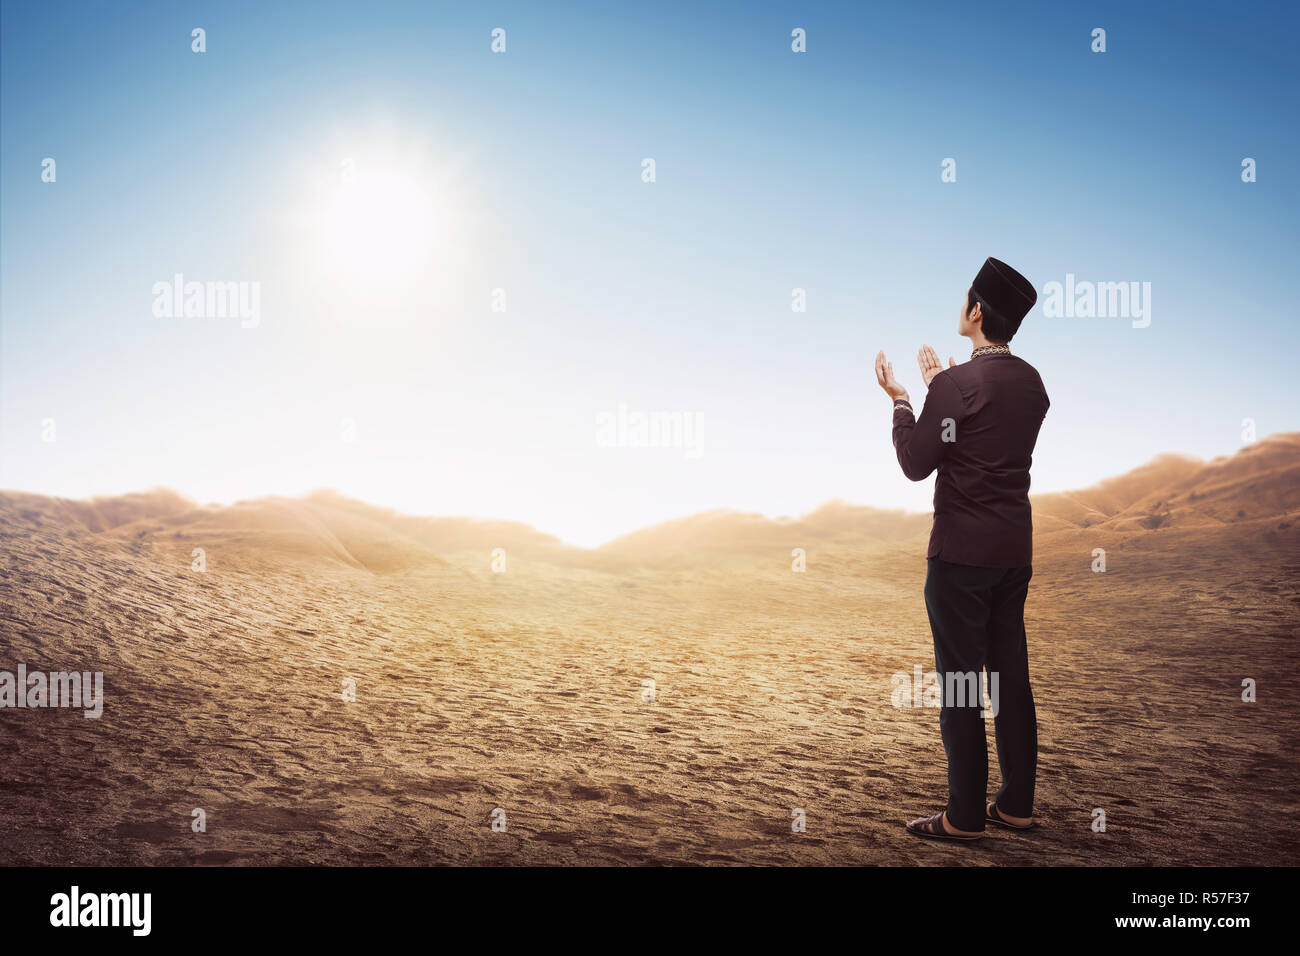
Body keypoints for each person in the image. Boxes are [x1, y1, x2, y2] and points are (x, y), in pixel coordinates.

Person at [873, 257, 1049, 842]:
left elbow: (916, 463)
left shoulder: (954, 386)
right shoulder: (1032, 384)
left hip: (958, 558)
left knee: (961, 685)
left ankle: (965, 816)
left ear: (976, 312)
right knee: (1009, 680)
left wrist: (905, 400)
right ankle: (1017, 805)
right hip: (1012, 552)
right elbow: (984, 429)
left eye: (964, 299)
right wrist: (943, 393)